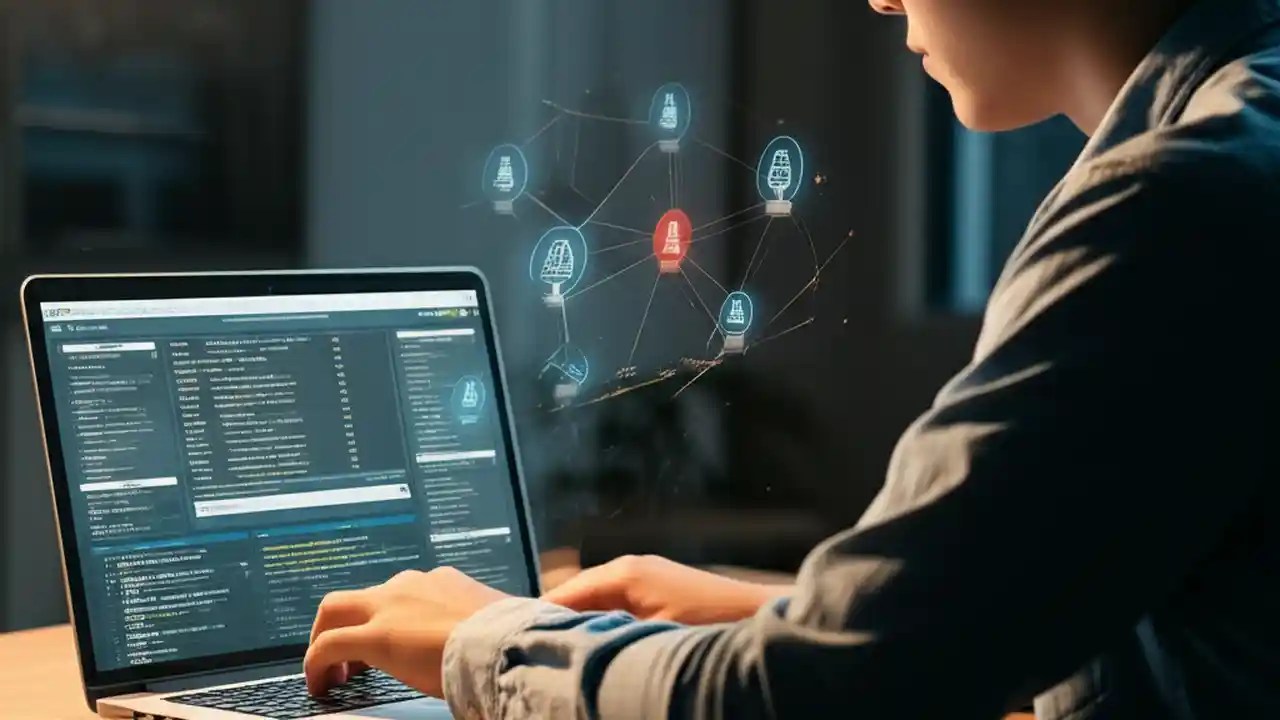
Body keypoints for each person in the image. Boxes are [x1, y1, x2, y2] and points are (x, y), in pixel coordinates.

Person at [304, 0, 1280, 716]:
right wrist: (785, 614)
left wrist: (481, 641)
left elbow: (830, 698)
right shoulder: (1239, 138)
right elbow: (1098, 617)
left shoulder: (1174, 208)